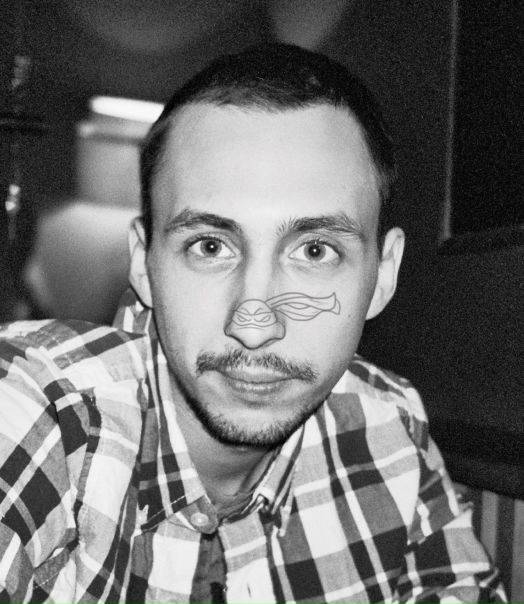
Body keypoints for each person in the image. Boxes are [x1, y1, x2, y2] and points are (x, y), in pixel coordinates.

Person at [0, 44, 506, 604]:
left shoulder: (390, 426)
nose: (255, 326)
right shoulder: (40, 411)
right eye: (210, 246)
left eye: (314, 251)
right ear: (144, 263)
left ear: (383, 274)